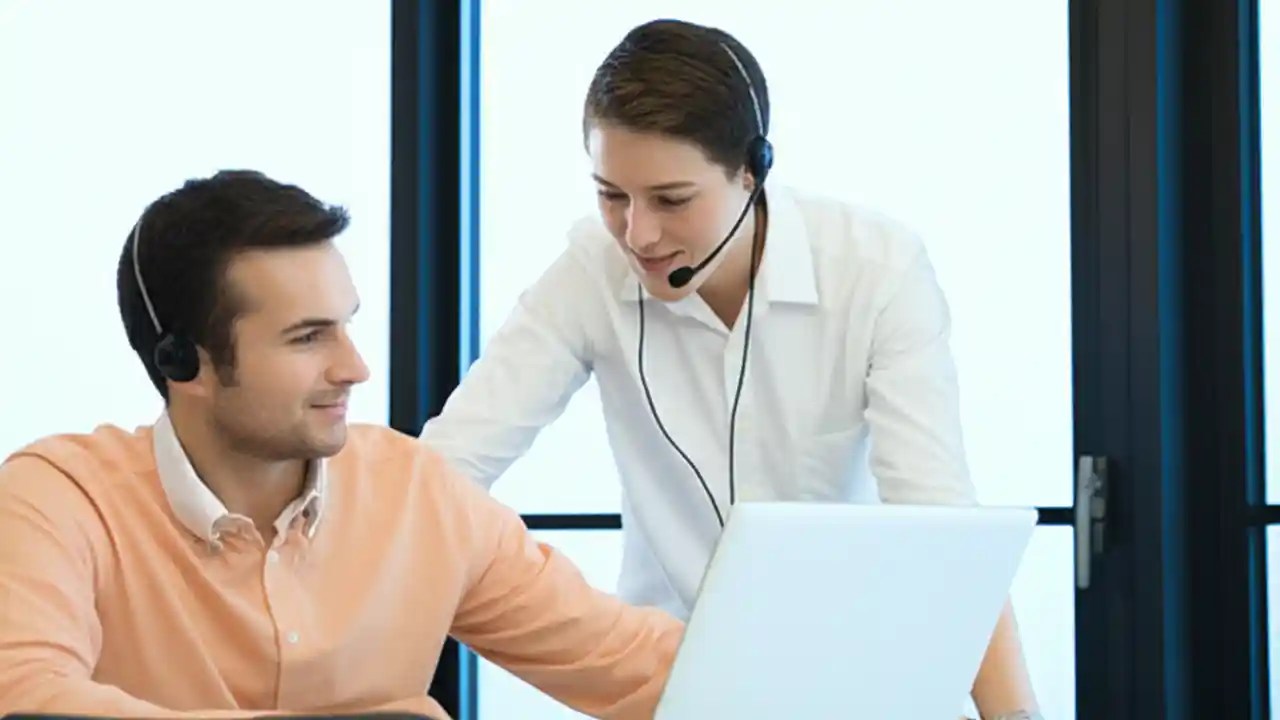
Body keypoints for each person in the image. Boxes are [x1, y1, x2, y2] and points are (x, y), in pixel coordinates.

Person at [420, 18, 1042, 720]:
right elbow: (446, 467)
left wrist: (1015, 716)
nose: (638, 234)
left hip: (866, 683)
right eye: (611, 195)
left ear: (753, 170)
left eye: (671, 200)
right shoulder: (589, 271)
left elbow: (941, 528)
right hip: (674, 686)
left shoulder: (875, 269)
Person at [0, 170, 682, 720]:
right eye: (307, 337)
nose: (354, 367)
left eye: (346, 325)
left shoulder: (414, 491)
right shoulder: (59, 496)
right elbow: (24, 698)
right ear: (188, 363)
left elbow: (631, 666)